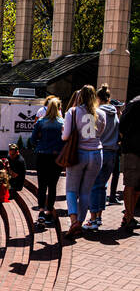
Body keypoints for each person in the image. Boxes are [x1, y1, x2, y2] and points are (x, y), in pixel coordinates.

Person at [62, 85, 107, 236]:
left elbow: (65, 136)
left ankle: (74, 220)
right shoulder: (101, 113)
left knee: (71, 189)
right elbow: (101, 133)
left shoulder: (73, 112)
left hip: (78, 154)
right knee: (86, 191)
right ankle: (80, 222)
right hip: (96, 154)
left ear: (80, 96)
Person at [87, 86, 120, 230]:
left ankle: (93, 219)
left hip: (100, 151)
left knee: (94, 186)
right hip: (112, 153)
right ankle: (99, 217)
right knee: (102, 186)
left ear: (98, 99)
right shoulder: (116, 113)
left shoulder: (98, 112)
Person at [30, 96, 65, 225]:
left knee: (42, 184)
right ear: (59, 109)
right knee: (53, 185)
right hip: (56, 157)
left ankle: (40, 211)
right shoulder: (63, 123)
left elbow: (33, 140)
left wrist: (41, 141)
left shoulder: (40, 122)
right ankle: (49, 212)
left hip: (42, 155)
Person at [121, 91, 140, 230]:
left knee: (134, 185)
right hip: (132, 149)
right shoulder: (135, 103)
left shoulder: (133, 102)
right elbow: (122, 125)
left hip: (132, 148)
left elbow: (122, 126)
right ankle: (128, 217)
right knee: (132, 184)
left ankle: (129, 216)